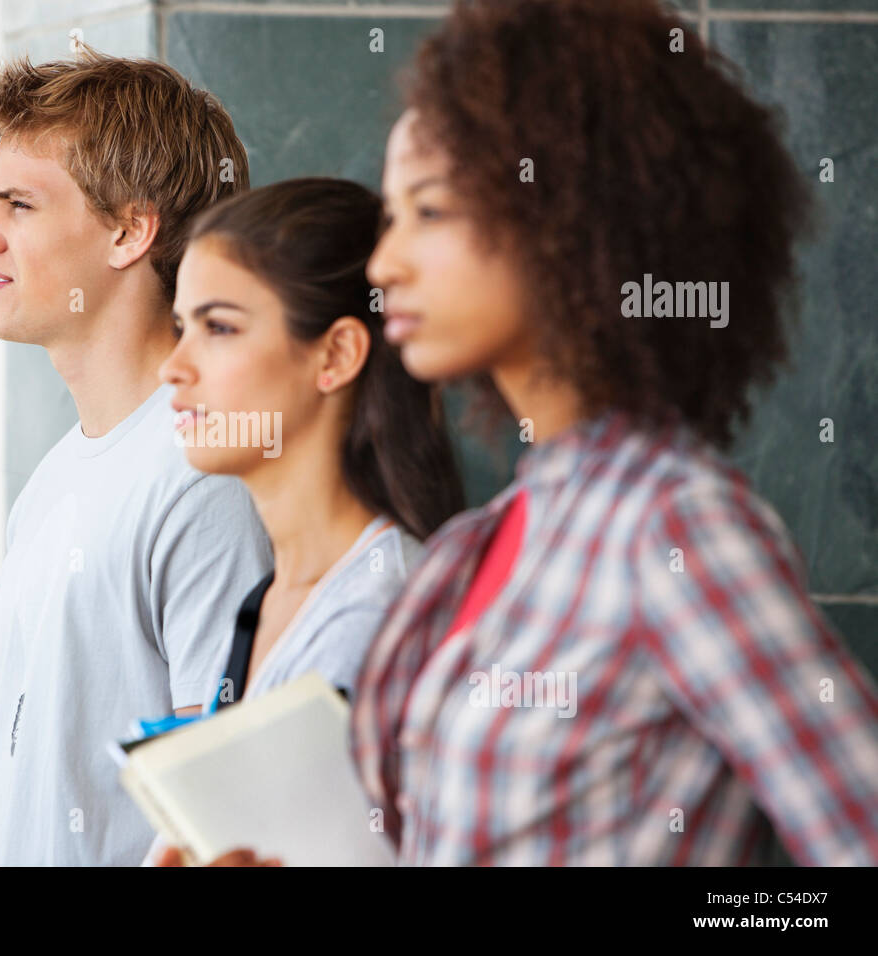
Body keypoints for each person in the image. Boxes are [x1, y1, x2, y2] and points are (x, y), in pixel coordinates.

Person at [198, 0, 878, 866]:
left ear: (576, 218)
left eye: (431, 212)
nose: (384, 263)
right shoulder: (471, 552)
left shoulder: (672, 526)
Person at [0, 45, 273, 866]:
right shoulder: (58, 475)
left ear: (130, 230)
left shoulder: (208, 476)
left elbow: (231, 817)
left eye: (18, 205)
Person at [145, 177, 464, 865]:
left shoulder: (386, 611)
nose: (175, 367)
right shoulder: (262, 604)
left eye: (219, 327)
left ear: (336, 355)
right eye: (181, 328)